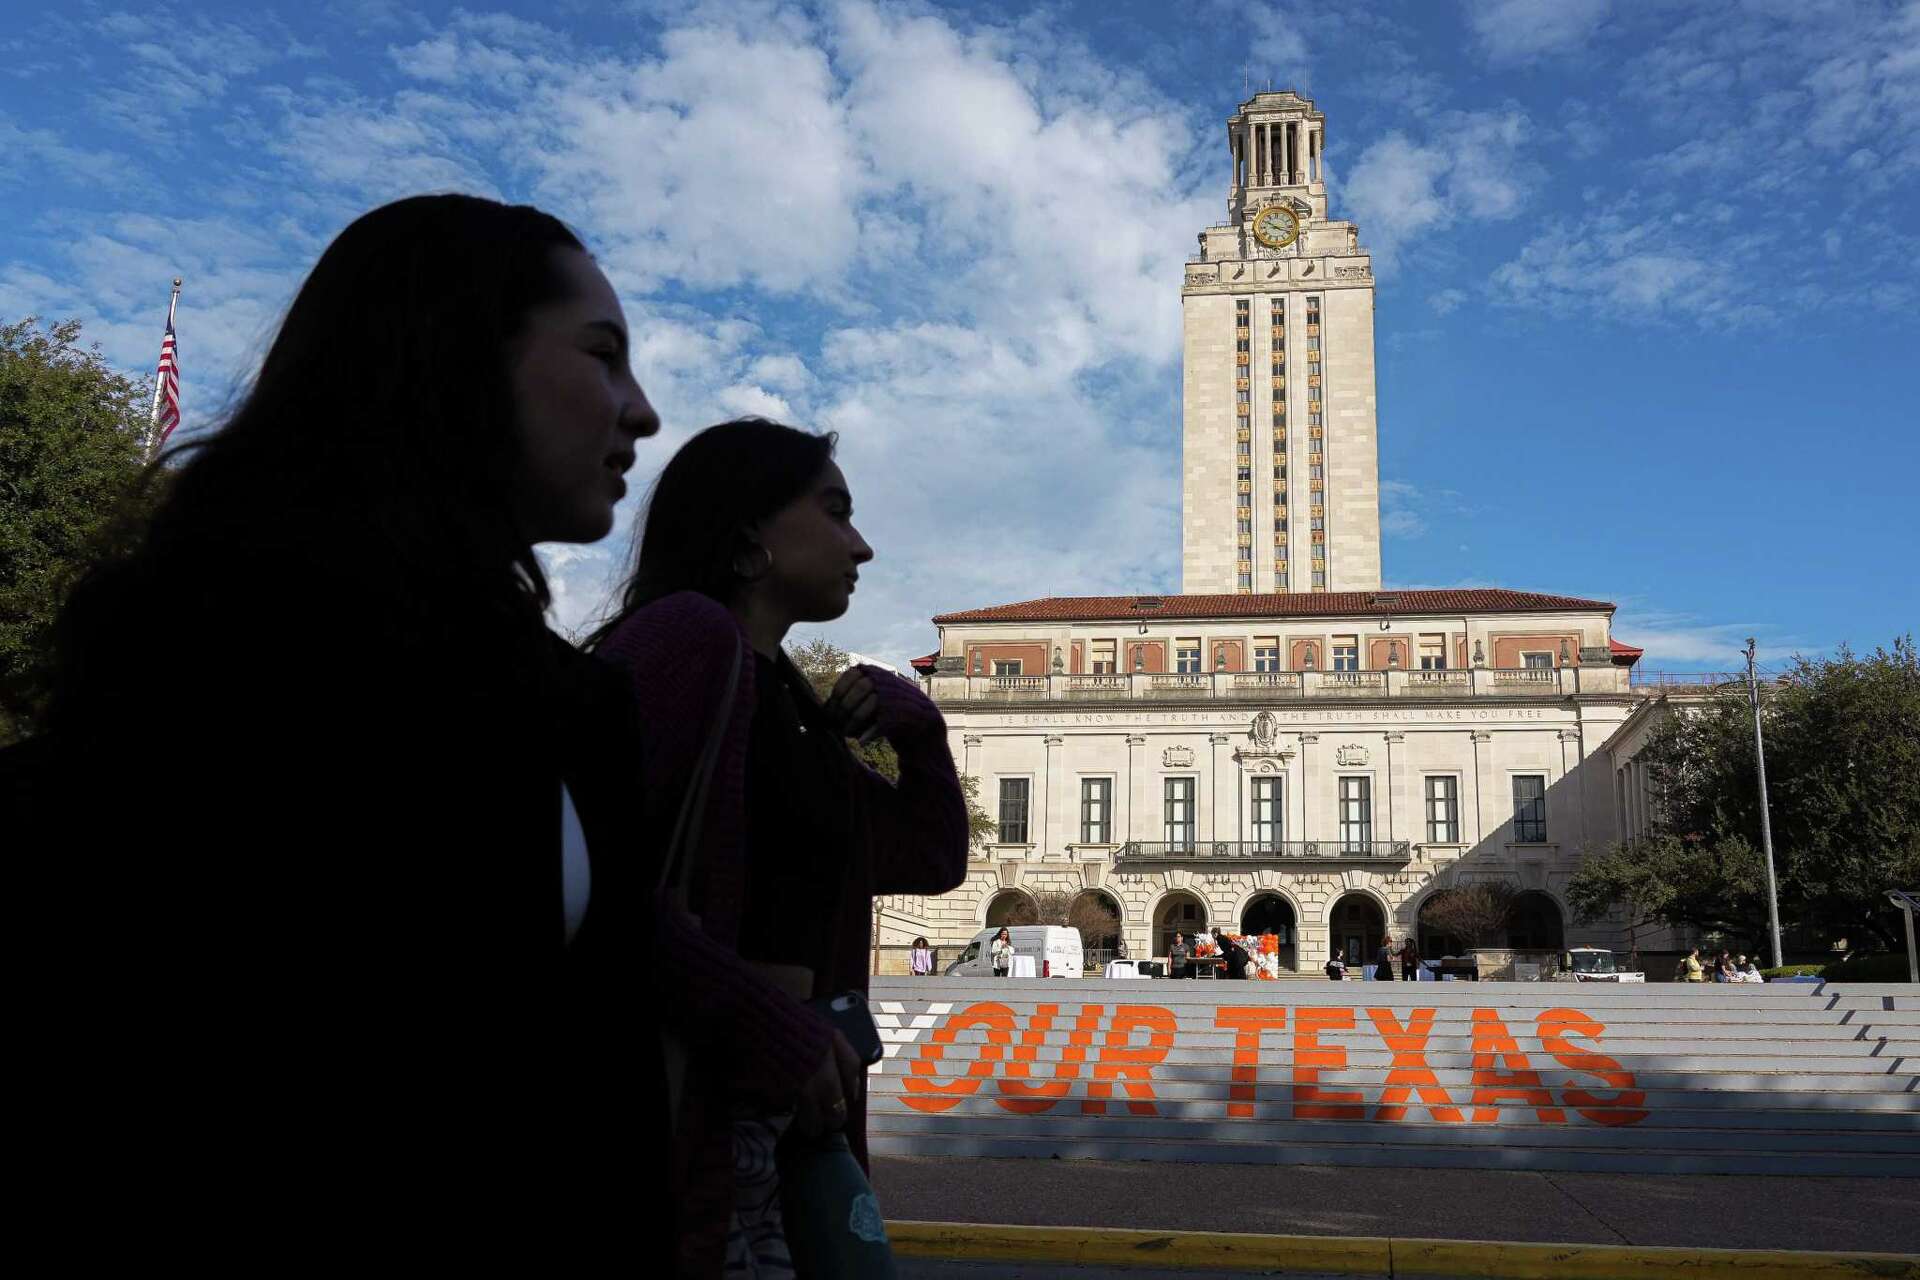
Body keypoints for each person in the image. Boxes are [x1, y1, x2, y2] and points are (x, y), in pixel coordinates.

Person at [13, 195, 664, 1232]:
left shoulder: (571, 700)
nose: (643, 412)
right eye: (602, 354)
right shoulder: (202, 669)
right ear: (451, 352)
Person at [591, 419, 969, 1278]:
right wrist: (768, 1026)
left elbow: (929, 860)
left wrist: (921, 734)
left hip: (777, 1127)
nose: (861, 546)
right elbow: (599, 889)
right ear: (748, 532)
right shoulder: (686, 639)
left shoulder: (794, 705)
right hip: (697, 1125)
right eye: (835, 511)